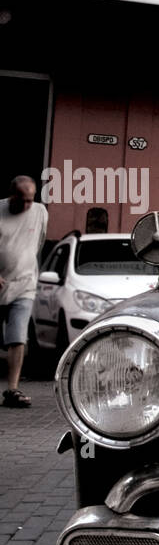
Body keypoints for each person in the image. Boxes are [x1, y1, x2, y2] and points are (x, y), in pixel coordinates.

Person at [0, 175, 48, 408]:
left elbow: (38, 243)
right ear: (12, 196)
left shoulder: (40, 212)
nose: (28, 205)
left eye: (31, 200)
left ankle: (12, 389)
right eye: (23, 200)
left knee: (18, 336)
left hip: (24, 284)